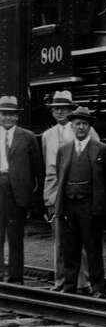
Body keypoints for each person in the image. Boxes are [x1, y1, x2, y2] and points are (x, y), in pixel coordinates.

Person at [41, 90, 96, 291]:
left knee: (81, 241)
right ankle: (61, 280)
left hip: (79, 195)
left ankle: (85, 281)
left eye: (63, 109)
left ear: (70, 110)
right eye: (56, 109)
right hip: (56, 194)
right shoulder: (47, 136)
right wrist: (49, 198)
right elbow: (48, 169)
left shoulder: (85, 130)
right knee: (59, 242)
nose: (59, 112)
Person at [54, 106, 106, 294]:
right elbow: (59, 176)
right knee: (70, 248)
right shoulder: (64, 150)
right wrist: (60, 206)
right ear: (72, 126)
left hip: (90, 205)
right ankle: (69, 285)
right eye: (78, 124)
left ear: (89, 127)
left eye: (84, 124)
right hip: (69, 204)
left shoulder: (101, 149)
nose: (81, 127)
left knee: (93, 248)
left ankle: (97, 287)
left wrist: (101, 208)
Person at [0, 94, 43, 284]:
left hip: (17, 192)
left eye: (11, 114)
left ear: (17, 117)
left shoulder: (28, 137)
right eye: (4, 114)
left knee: (15, 235)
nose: (8, 118)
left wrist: (31, 196)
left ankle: (16, 277)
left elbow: (36, 168)